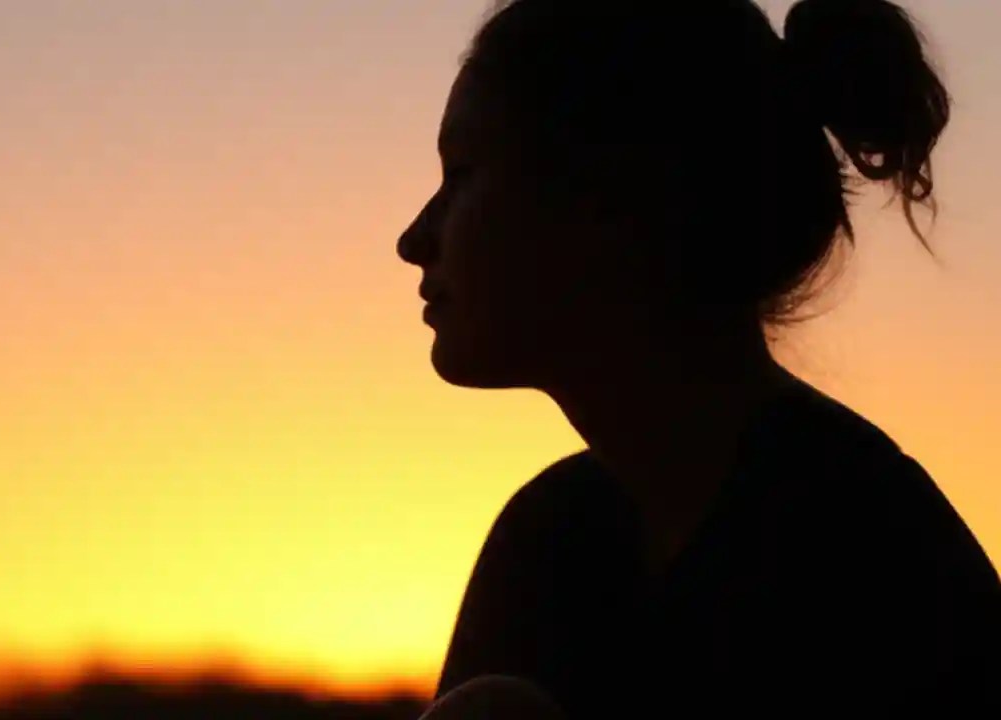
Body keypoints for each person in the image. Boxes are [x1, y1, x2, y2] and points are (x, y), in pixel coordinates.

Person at [396, 0, 1001, 715]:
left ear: (616, 201)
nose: (414, 238)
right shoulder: (550, 539)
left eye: (462, 174)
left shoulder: (875, 566)